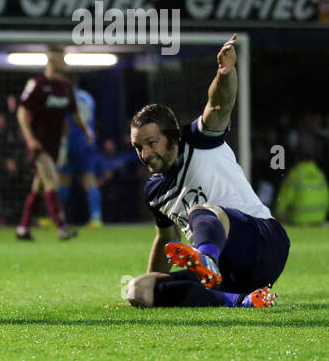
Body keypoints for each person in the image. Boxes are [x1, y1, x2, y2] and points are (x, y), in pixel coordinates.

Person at [124, 35, 289, 309]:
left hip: (264, 242)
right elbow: (166, 239)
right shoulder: (154, 190)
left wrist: (225, 73)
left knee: (203, 211)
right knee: (138, 290)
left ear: (173, 138)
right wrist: (159, 280)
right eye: (138, 147)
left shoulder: (198, 140)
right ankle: (242, 300)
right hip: (227, 272)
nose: (145, 154)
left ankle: (206, 258)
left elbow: (219, 105)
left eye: (151, 143)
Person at [16, 51, 91, 240]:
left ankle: (23, 228)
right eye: (61, 57)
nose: (65, 61)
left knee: (39, 186)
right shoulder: (37, 84)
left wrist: (86, 131)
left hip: (56, 145)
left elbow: (74, 114)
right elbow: (21, 113)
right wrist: (30, 139)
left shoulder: (65, 86)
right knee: (51, 181)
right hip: (38, 145)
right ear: (51, 59)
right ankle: (62, 227)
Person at [57, 82, 103, 226]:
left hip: (72, 140)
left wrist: (62, 144)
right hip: (87, 141)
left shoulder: (65, 97)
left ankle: (57, 217)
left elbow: (65, 121)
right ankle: (96, 218)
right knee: (89, 178)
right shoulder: (88, 97)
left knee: (63, 179)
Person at [275, 149, 328, 226]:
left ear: (297, 159)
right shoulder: (320, 173)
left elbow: (284, 199)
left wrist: (277, 215)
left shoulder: (295, 174)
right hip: (319, 218)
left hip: (299, 220)